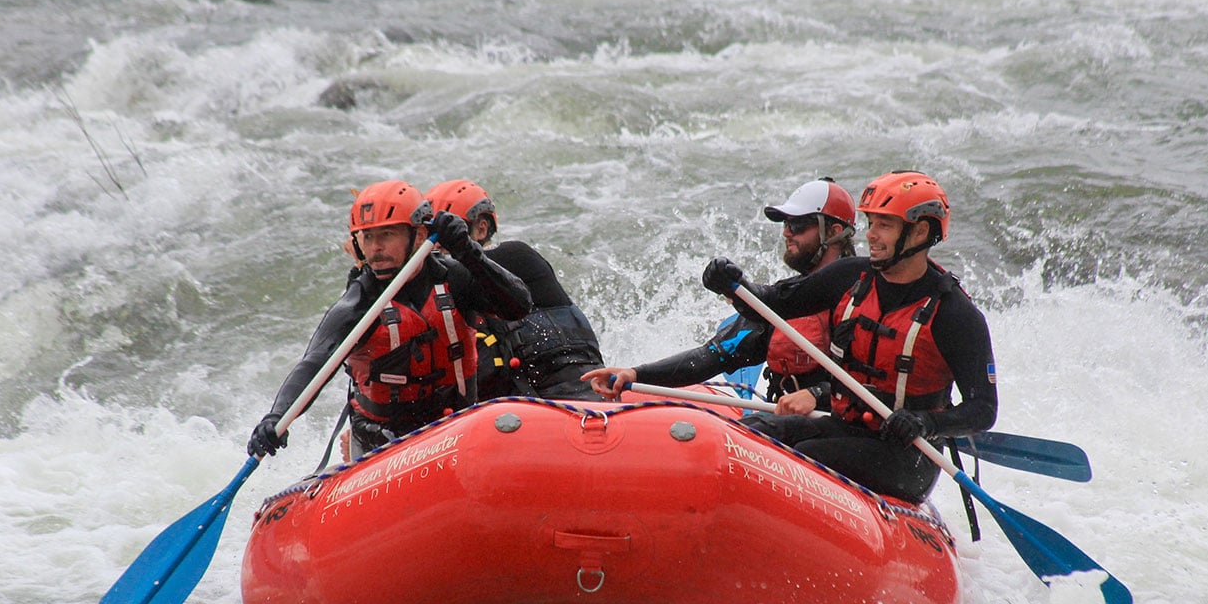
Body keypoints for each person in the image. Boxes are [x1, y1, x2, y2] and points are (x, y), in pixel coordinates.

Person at [700, 170, 998, 504]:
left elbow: (983, 410)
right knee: (750, 431)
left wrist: (925, 421)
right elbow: (774, 303)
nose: (871, 235)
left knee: (805, 454)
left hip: (906, 455)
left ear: (919, 232)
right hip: (843, 426)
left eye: (884, 225)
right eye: (871, 223)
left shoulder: (955, 314)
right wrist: (734, 284)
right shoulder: (851, 277)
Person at [246, 179, 533, 461]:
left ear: (419, 235)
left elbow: (519, 305)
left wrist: (468, 252)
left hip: (457, 427)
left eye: (386, 235)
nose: (375, 249)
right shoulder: (358, 303)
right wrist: (277, 416)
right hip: (382, 446)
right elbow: (314, 363)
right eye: (368, 237)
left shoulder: (454, 279)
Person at [582, 177, 857, 417]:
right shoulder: (784, 299)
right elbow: (712, 357)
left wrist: (816, 394)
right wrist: (635, 374)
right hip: (786, 422)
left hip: (834, 425)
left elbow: (875, 383)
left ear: (833, 232)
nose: (787, 232)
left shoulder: (859, 299)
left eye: (799, 225)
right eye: (786, 223)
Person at [425, 179, 605, 401]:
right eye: (428, 236)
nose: (434, 246)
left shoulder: (516, 256)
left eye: (445, 235)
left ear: (481, 228)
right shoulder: (443, 288)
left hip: (573, 390)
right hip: (511, 405)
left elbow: (460, 271)